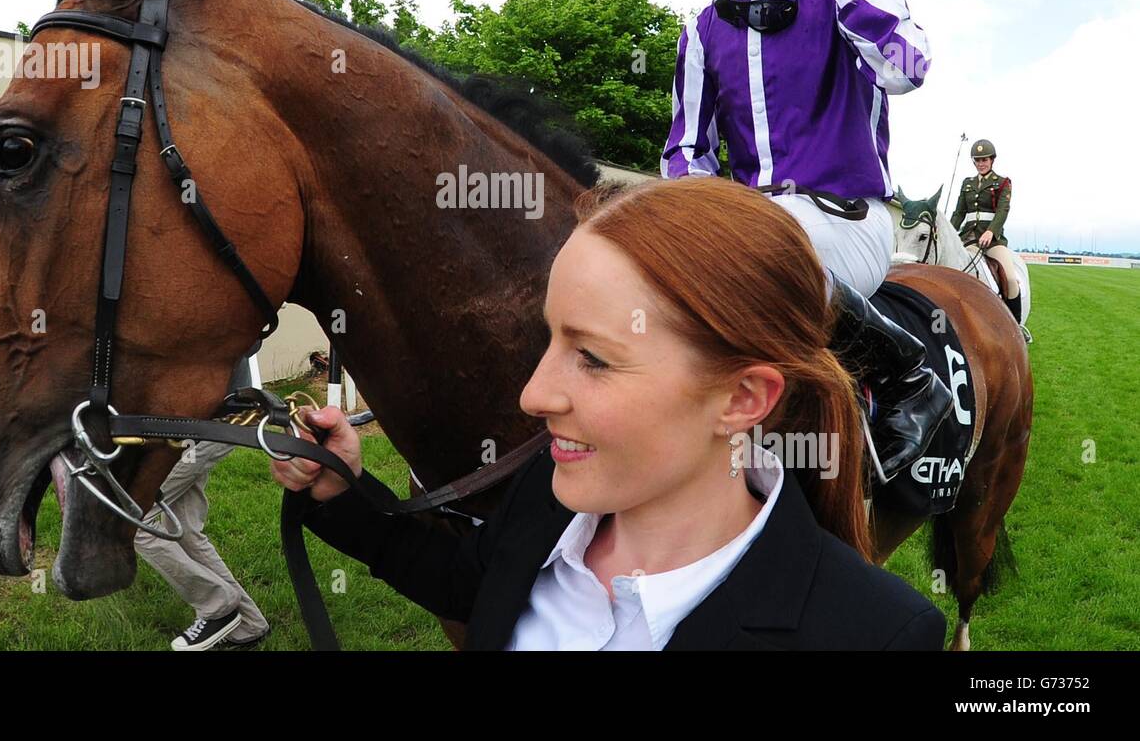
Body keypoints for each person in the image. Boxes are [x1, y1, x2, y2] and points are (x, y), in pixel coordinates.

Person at [271, 178, 946, 651]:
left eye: (592, 357)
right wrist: (344, 491)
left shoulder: (873, 633)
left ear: (742, 399)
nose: (533, 397)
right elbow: (466, 584)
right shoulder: (549, 494)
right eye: (551, 340)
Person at [661, 0, 951, 483]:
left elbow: (908, 69)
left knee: (770, 256)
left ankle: (910, 375)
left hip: (850, 223)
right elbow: (687, 150)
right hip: (749, 228)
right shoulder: (702, 31)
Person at [135, 345, 272, 651]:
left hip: (211, 428)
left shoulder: (220, 307)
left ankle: (216, 605)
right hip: (198, 428)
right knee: (185, 529)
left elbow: (247, 342)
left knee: (138, 520)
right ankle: (249, 624)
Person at [950, 138, 1023, 322]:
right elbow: (959, 212)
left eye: (984, 159)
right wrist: (949, 232)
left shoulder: (1002, 182)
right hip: (968, 240)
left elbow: (1002, 210)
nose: (981, 163)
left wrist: (991, 232)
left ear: (992, 160)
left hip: (993, 241)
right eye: (977, 160)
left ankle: (1016, 326)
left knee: (1012, 280)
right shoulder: (967, 183)